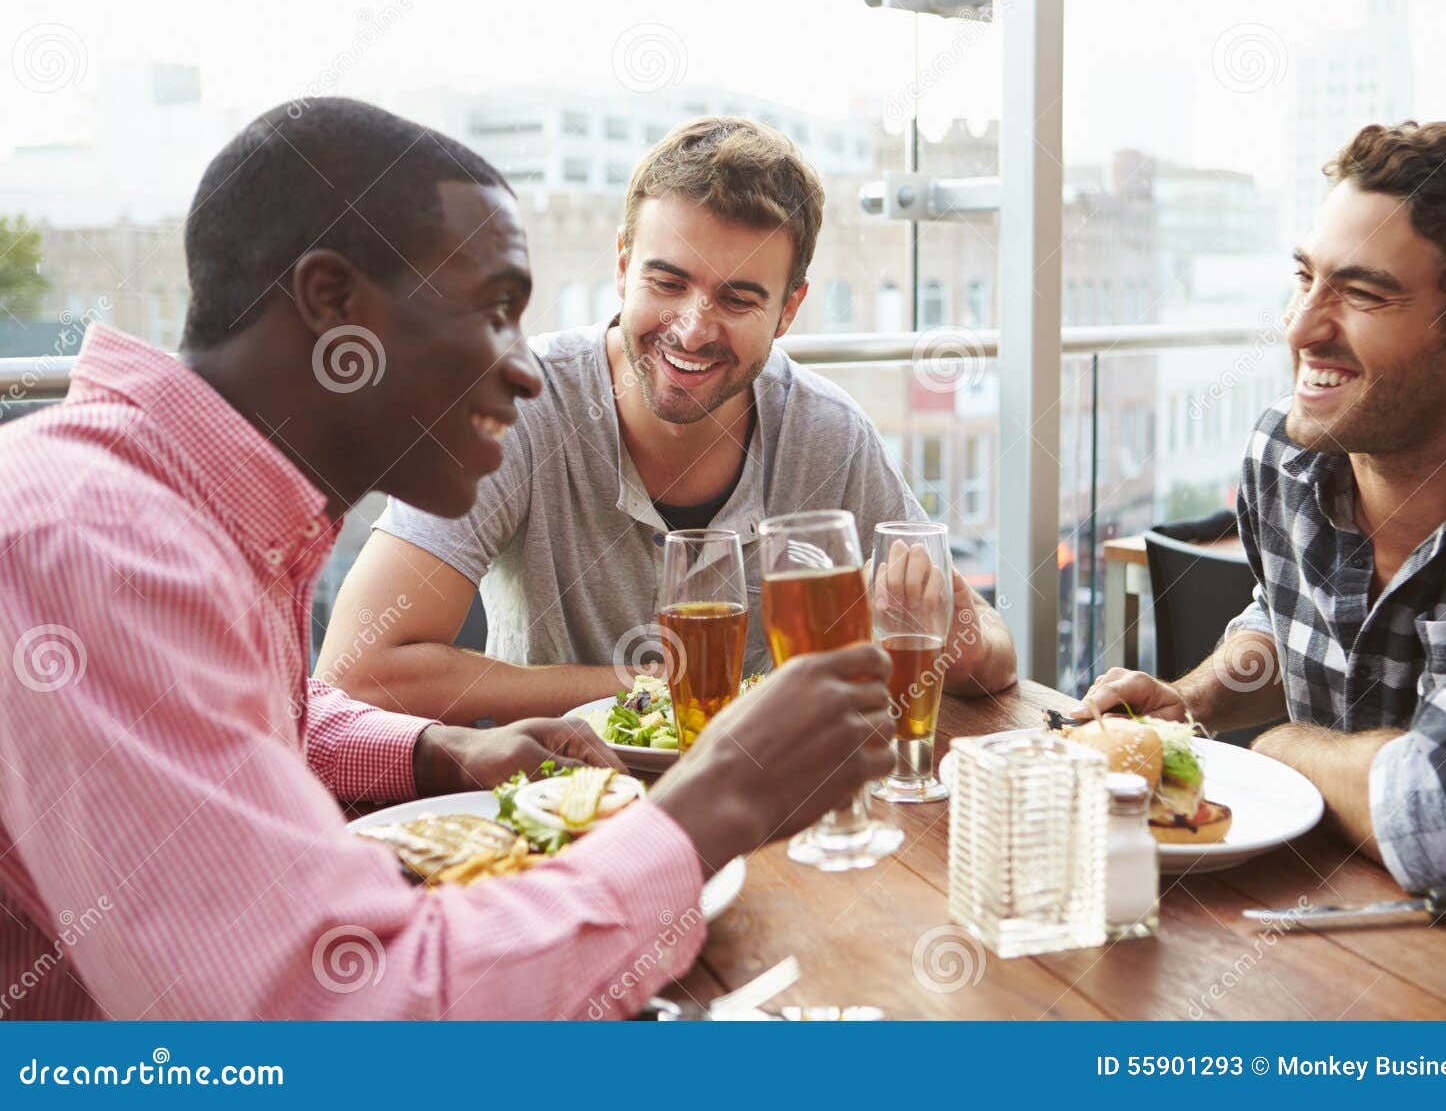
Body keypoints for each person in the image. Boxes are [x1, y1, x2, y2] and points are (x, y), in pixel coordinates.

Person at [0, 98, 894, 1020]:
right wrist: (716, 802)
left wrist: (437, 751)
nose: (525, 367)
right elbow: (345, 1022)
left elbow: (223, 736)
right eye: (493, 310)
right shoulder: (91, 545)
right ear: (334, 305)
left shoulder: (171, 508)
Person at [317, 116, 1016, 725]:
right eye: (668, 281)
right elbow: (353, 672)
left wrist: (962, 639)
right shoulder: (519, 405)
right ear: (623, 266)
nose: (691, 329)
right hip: (560, 813)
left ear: (790, 310)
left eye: (738, 298)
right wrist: (664, 691)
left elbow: (989, 652)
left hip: (773, 820)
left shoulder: (828, 434)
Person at [1074, 120, 1446, 891]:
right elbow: (1291, 618)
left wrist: (1283, 748)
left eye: (1360, 294)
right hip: (1339, 932)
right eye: (1305, 277)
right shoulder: (1287, 457)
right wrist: (1190, 703)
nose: (1301, 326)